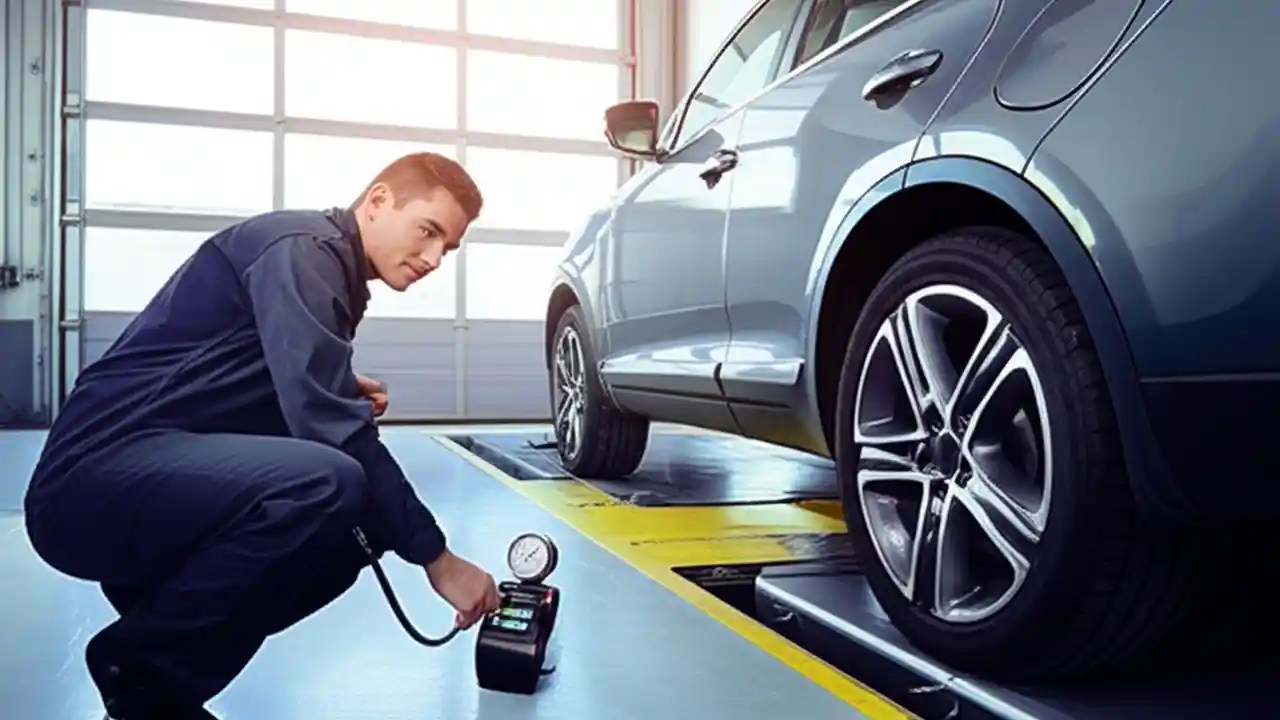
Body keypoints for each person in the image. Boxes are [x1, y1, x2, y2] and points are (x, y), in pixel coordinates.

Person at [22, 152, 501, 718]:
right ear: (377, 201)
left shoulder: (330, 270)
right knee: (327, 481)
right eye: (428, 231)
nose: (432, 259)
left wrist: (331, 382)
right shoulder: (303, 250)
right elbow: (333, 434)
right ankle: (137, 662)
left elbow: (223, 386)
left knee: (349, 538)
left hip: (148, 484)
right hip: (88, 488)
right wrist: (438, 560)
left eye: (447, 248)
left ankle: (158, 693)